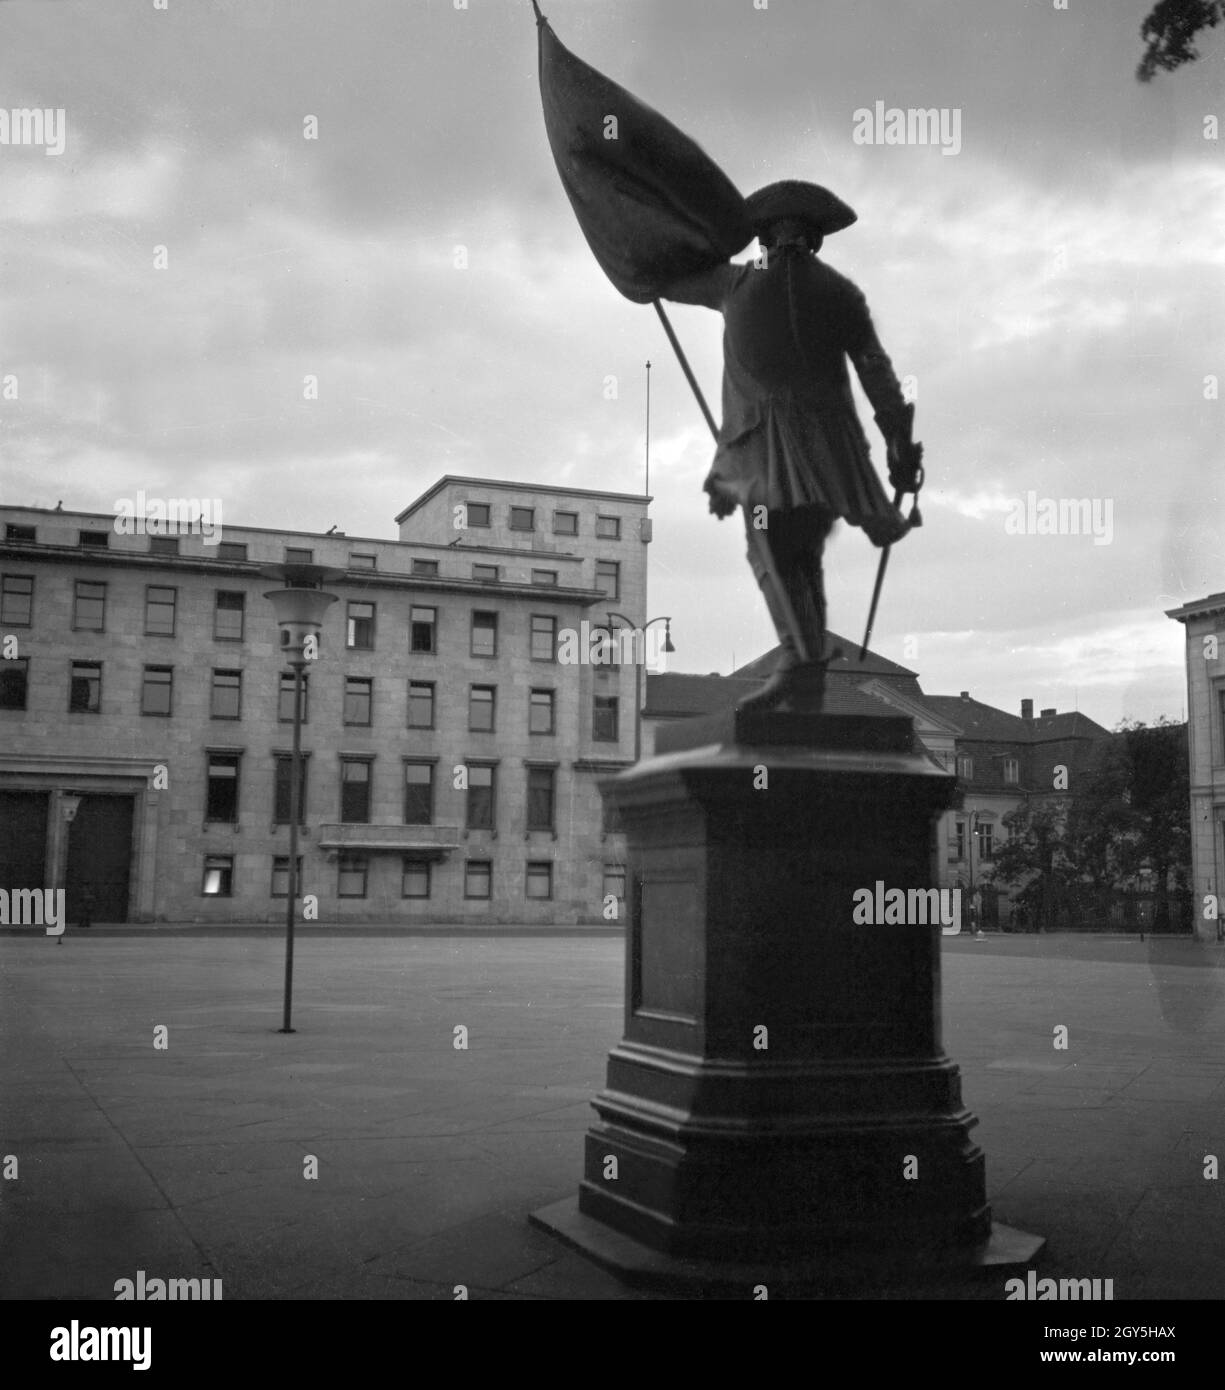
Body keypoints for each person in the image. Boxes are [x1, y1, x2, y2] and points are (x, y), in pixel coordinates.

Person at [663, 181, 923, 707]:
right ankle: (807, 675)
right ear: (815, 237)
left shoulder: (735, 284)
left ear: (763, 236)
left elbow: (667, 279)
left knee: (772, 551)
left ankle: (802, 661)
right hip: (831, 457)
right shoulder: (837, 291)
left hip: (763, 452)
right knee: (801, 555)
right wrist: (899, 443)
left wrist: (643, 250)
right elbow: (876, 371)